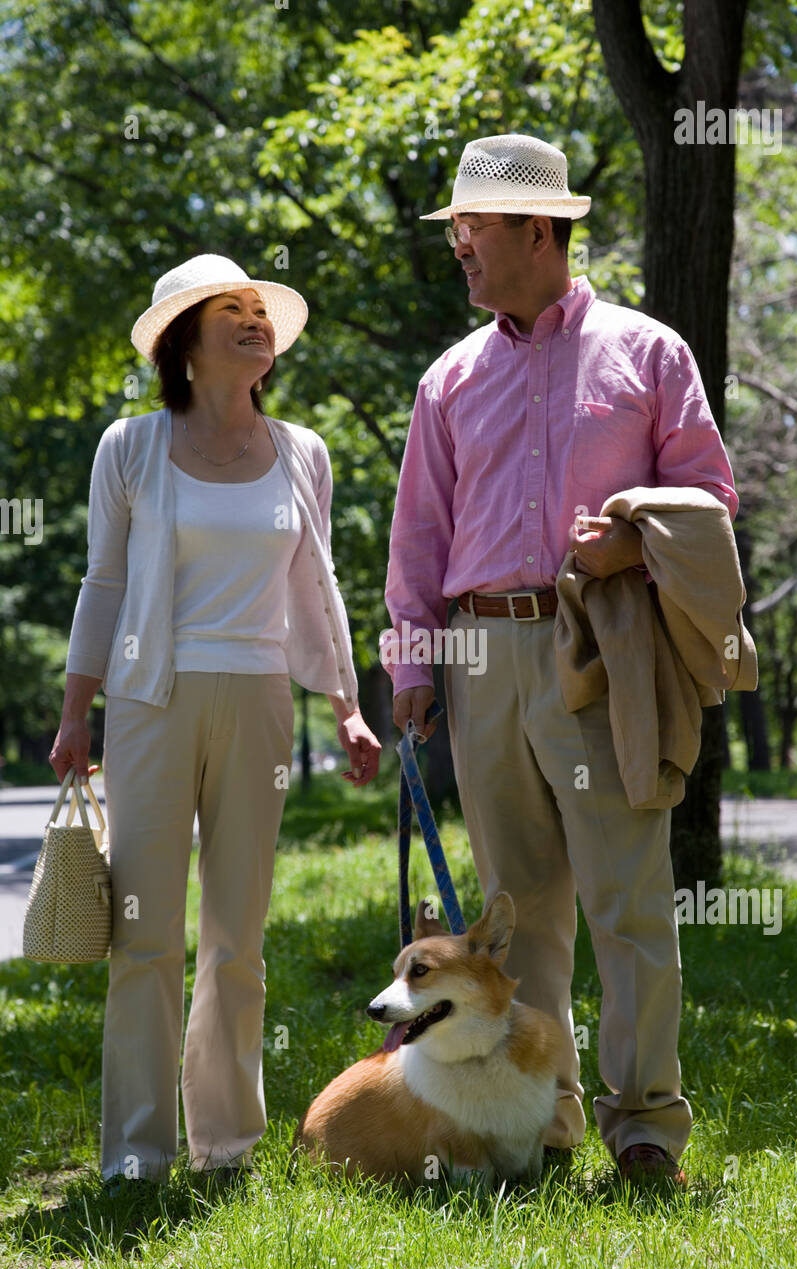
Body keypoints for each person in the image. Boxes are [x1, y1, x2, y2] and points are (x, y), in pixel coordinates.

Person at [382, 133, 738, 1184]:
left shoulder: (648, 353)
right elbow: (417, 540)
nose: (460, 249)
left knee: (626, 900)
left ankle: (643, 1129)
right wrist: (410, 668)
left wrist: (629, 542)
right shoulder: (446, 379)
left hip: (602, 646)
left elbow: (709, 498)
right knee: (514, 909)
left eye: (473, 229)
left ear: (539, 229)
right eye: (453, 232)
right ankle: (540, 1121)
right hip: (479, 652)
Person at [50, 254, 381, 1188]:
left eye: (257, 309)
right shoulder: (131, 446)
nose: (252, 320)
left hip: (260, 701)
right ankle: (137, 1153)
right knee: (146, 934)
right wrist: (78, 714)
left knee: (239, 938)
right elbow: (103, 583)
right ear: (184, 344)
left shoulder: (302, 451)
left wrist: (347, 708)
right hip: (151, 702)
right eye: (227, 310)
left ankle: (226, 1148)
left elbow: (316, 591)